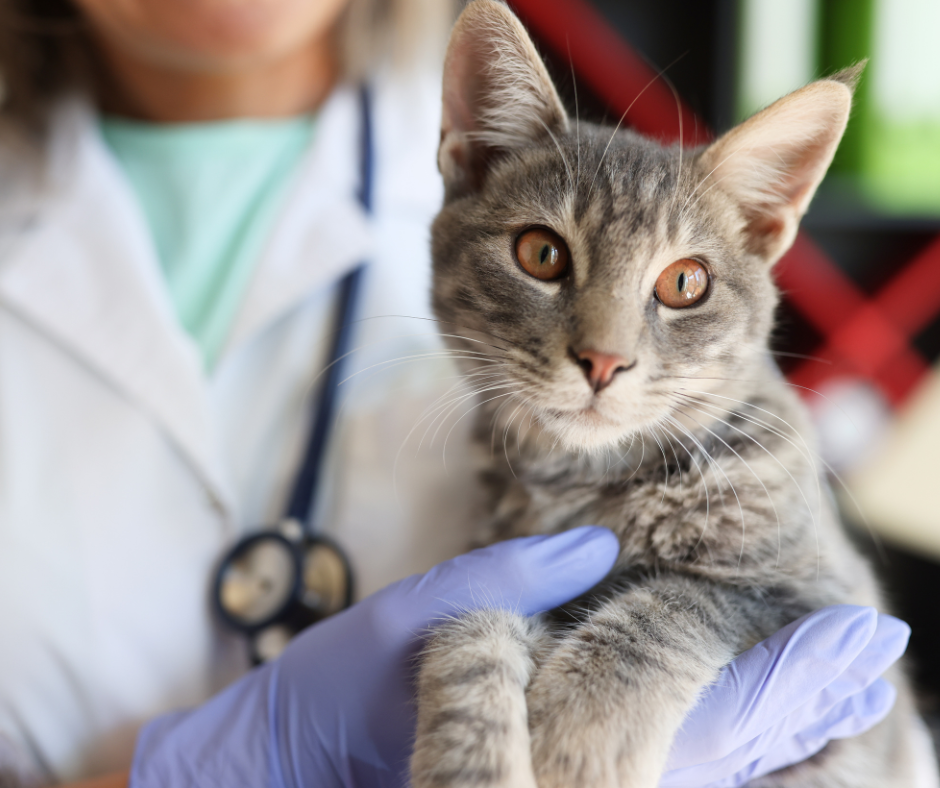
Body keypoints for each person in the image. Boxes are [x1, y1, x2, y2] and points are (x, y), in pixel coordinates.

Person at [0, 1, 911, 786]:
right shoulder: (506, 177)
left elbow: (860, 703)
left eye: (680, 286)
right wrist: (217, 765)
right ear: (471, 157)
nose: (604, 354)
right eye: (545, 257)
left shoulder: (740, 434)